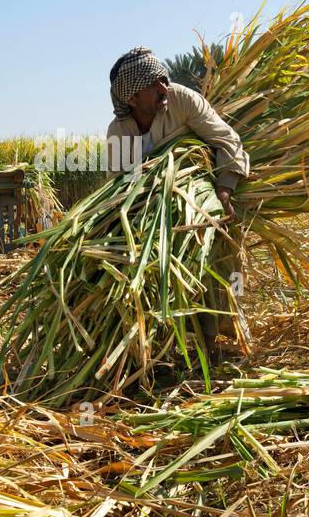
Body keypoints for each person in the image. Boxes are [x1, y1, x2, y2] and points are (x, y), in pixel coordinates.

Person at [104, 46, 250, 354]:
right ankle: (169, 346)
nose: (163, 88)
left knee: (218, 270)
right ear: (132, 99)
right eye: (153, 85)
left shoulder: (182, 99)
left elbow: (226, 140)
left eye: (163, 79)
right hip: (151, 213)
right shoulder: (119, 132)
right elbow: (117, 187)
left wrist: (224, 189)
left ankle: (217, 342)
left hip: (202, 198)